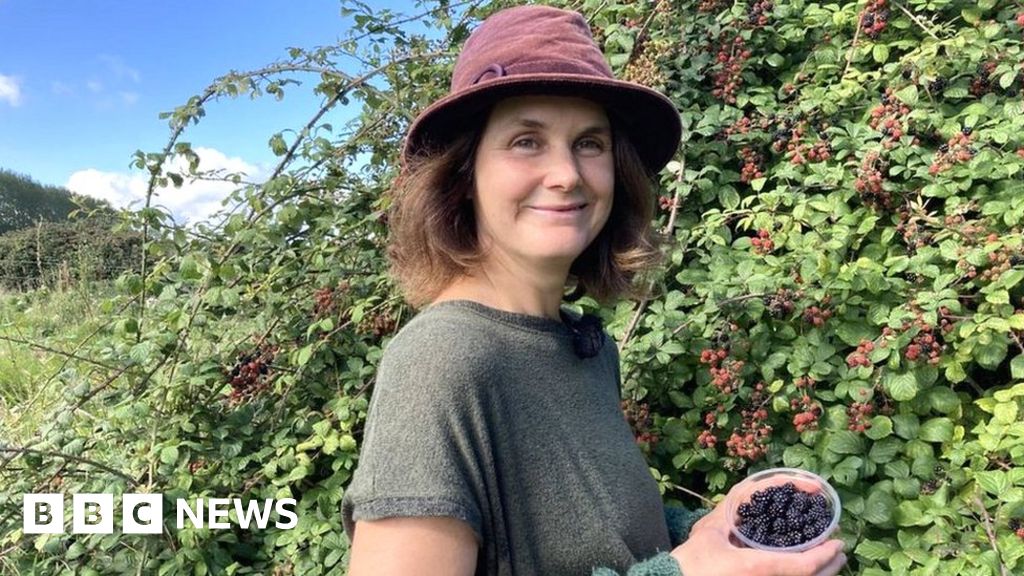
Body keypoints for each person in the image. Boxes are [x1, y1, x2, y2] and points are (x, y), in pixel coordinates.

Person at [341, 4, 848, 575]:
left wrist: (707, 533)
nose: (566, 174)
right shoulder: (442, 360)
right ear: (464, 175)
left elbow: (592, 540)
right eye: (526, 141)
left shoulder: (584, 347)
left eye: (589, 143)